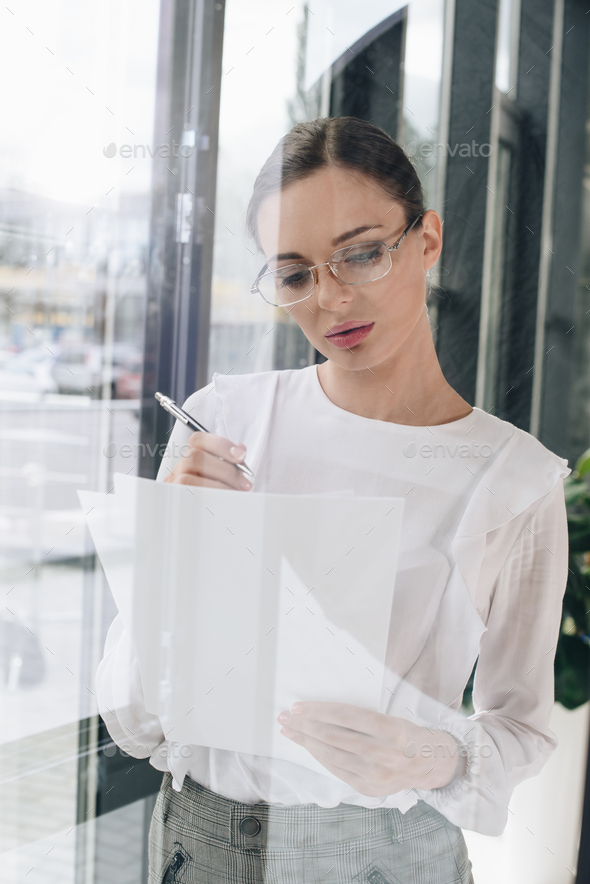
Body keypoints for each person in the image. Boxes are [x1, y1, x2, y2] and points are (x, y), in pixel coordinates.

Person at [96, 117, 570, 884]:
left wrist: (435, 753)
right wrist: (173, 549)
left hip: (384, 855)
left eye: (362, 253)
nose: (332, 298)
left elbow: (520, 729)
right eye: (294, 275)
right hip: (195, 840)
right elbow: (135, 724)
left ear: (427, 239)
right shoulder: (226, 420)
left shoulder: (513, 479)